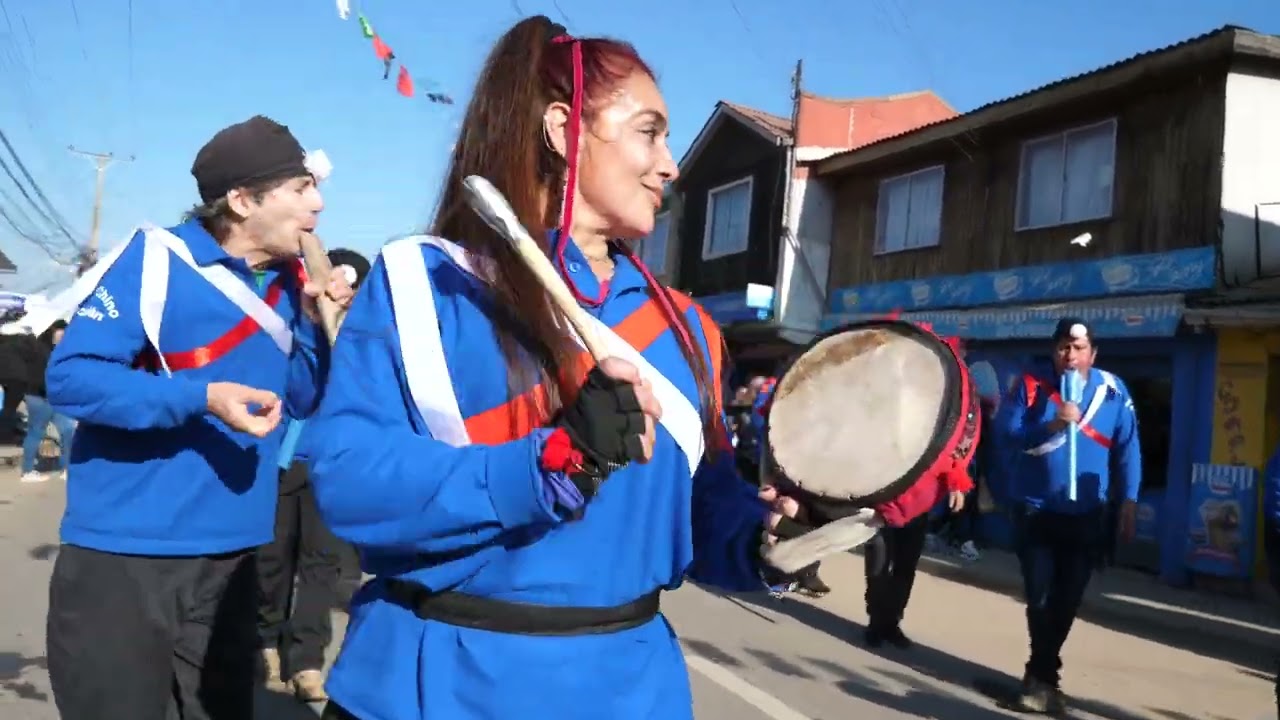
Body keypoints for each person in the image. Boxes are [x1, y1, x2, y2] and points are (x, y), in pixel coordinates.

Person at [302, 16, 811, 720]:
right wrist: (544, 467)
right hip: (431, 684)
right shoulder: (428, 284)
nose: (671, 164)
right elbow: (348, 481)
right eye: (649, 131)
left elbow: (696, 508)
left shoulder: (689, 328)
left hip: (630, 692)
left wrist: (759, 539)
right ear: (562, 129)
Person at [42, 115, 353, 720]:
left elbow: (301, 400)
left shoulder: (291, 283)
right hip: (127, 557)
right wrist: (200, 396)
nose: (318, 202)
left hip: (237, 554)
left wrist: (318, 330)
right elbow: (71, 378)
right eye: (299, 188)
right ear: (241, 200)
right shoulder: (158, 259)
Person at [997, 317, 1141, 713]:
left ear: (1092, 353)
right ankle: (1044, 677)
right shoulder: (1029, 386)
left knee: (1068, 599)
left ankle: (1040, 675)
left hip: (1087, 514)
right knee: (1041, 596)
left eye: (1079, 348)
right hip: (1037, 512)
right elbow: (1007, 435)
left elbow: (1127, 447)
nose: (1071, 355)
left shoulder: (1113, 390)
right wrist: (1054, 423)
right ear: (1053, 351)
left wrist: (1128, 499)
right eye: (1064, 347)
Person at [257, 248, 370, 702]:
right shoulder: (296, 326)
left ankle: (305, 659)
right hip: (285, 458)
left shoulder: (366, 338)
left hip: (332, 466)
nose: (340, 296)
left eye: (349, 289)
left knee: (322, 566)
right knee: (271, 559)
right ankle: (264, 641)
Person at [17, 321, 76, 483]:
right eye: (60, 333)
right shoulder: (38, 348)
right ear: (52, 331)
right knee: (36, 432)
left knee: (68, 429)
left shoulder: (56, 350)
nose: (62, 337)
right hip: (37, 396)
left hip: (54, 398)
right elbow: (38, 375)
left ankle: (67, 468)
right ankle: (27, 471)